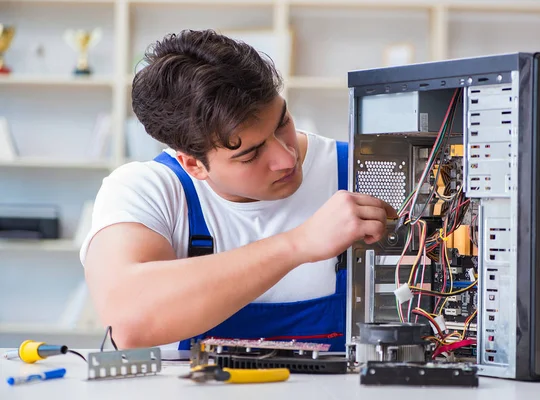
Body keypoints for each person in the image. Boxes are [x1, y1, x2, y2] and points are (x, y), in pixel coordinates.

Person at [80, 29, 396, 352]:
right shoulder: (148, 191)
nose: (287, 157)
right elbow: (127, 323)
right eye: (251, 154)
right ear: (194, 165)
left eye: (282, 122)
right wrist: (299, 244)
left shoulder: (363, 172)